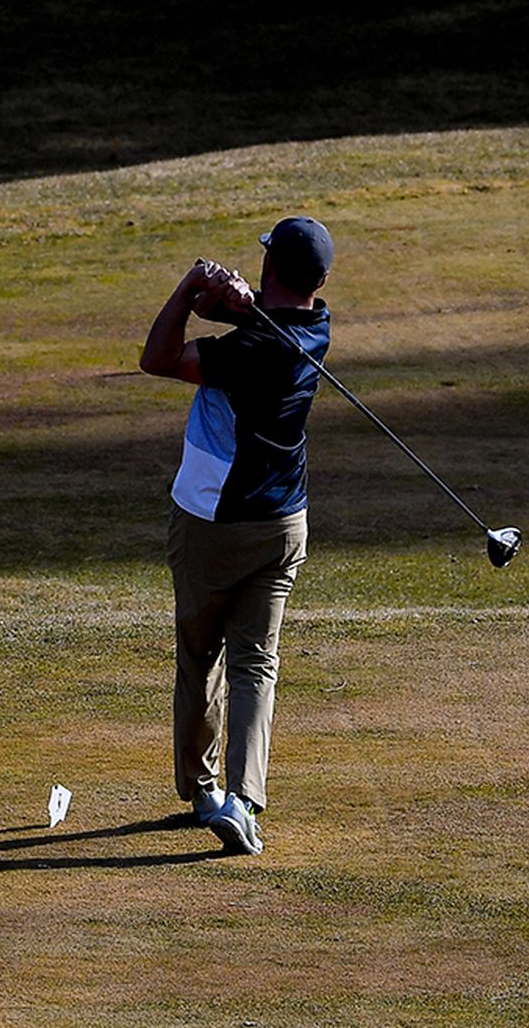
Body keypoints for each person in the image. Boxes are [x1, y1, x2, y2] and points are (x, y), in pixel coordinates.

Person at [138, 215, 334, 856]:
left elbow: (157, 357)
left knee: (202, 658)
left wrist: (190, 284)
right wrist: (232, 300)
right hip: (283, 524)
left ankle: (202, 793)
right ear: (318, 281)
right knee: (256, 664)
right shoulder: (316, 326)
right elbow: (246, 320)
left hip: (212, 521)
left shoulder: (248, 352)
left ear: (271, 266)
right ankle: (244, 802)